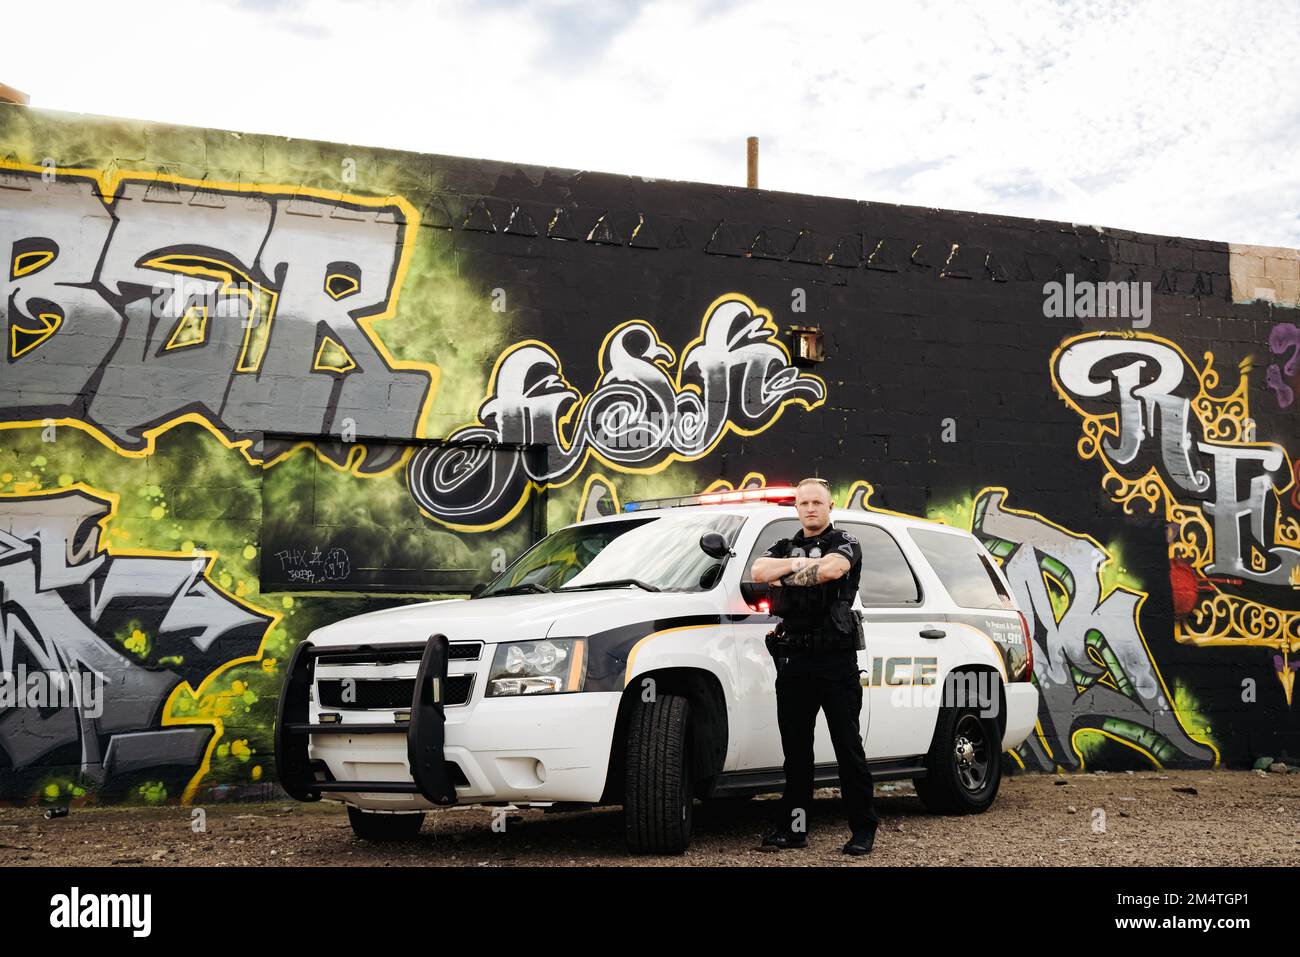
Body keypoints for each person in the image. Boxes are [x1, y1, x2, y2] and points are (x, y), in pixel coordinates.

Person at [749, 477, 880, 855]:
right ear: (796, 508)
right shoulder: (783, 545)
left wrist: (787, 576)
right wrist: (800, 564)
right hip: (793, 661)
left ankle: (863, 830)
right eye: (804, 503)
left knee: (848, 749)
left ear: (829, 507)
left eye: (817, 503)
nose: (810, 508)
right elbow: (758, 571)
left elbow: (831, 571)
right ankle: (795, 830)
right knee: (796, 753)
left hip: (835, 662)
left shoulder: (845, 542)